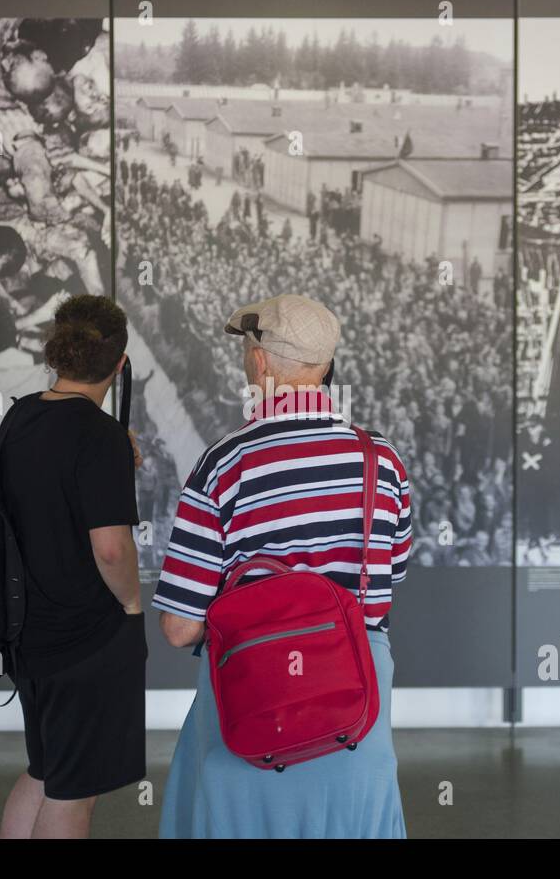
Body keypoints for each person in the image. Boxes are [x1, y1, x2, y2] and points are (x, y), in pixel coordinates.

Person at [153, 293, 412, 839]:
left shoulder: (223, 463)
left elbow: (180, 628)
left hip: (257, 691)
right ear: (325, 367)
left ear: (260, 362)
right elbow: (391, 573)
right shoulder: (380, 459)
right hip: (358, 690)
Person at [0, 295, 146, 839]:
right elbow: (110, 549)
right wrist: (131, 603)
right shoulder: (100, 437)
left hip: (28, 632)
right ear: (120, 363)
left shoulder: (20, 416)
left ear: (58, 354)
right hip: (85, 638)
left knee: (44, 768)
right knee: (73, 789)